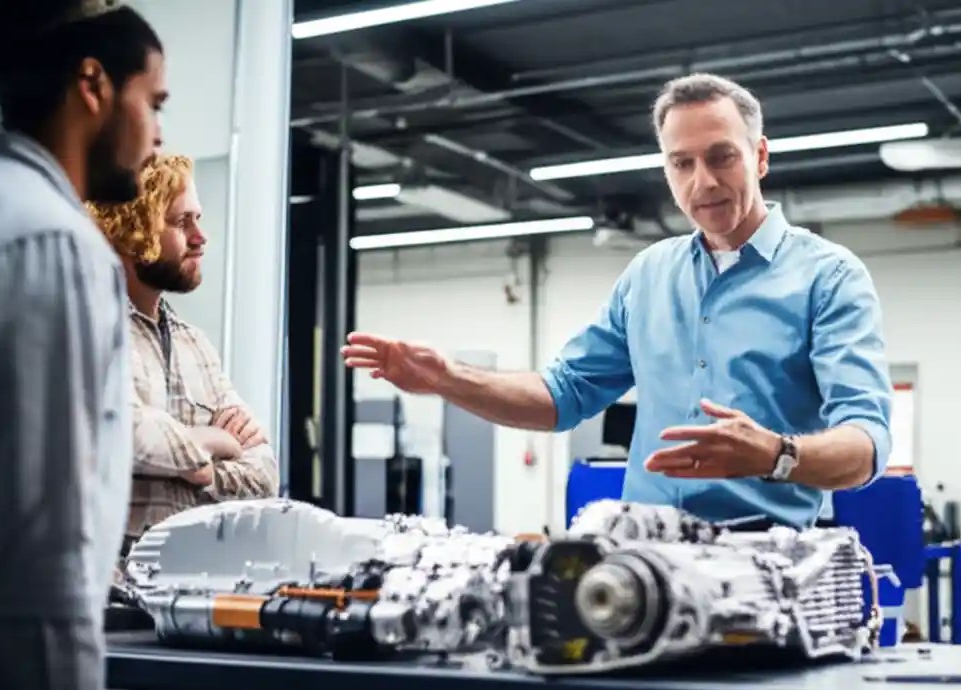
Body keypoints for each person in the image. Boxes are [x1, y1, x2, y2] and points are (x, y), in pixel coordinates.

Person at [343, 72, 892, 529]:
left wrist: (776, 454)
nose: (703, 181)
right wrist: (446, 378)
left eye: (722, 157)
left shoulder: (829, 277)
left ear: (760, 157)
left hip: (769, 560)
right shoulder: (650, 274)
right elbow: (564, 394)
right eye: (683, 163)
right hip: (644, 556)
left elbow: (866, 443)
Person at [0, 2, 166, 690]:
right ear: (92, 84)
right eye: (152, 102)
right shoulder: (53, 243)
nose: (156, 135)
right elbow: (44, 565)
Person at [86, 153, 280, 690]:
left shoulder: (196, 344)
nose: (201, 237)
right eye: (182, 222)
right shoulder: (94, 325)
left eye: (198, 218)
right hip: (119, 618)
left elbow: (264, 472)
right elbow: (129, 436)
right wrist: (215, 442)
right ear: (131, 228)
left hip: (196, 612)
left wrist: (199, 468)